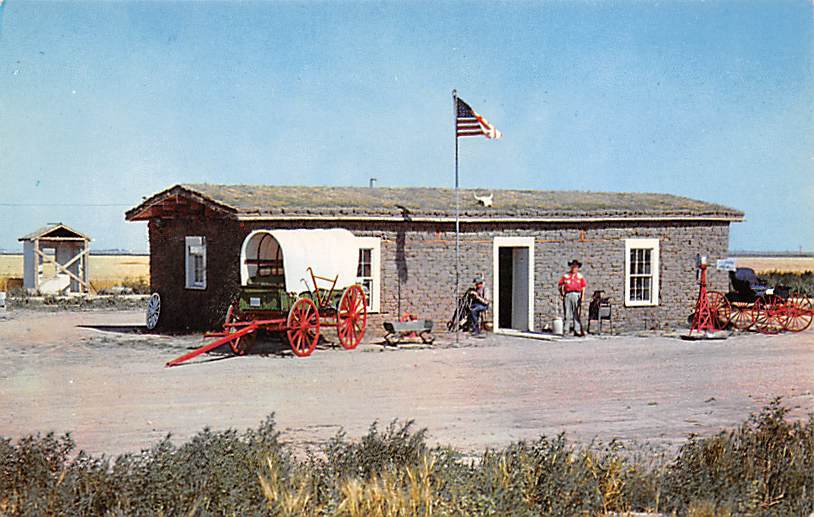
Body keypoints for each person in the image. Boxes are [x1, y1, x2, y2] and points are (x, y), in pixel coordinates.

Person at [558, 259, 587, 337]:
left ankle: (577, 330)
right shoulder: (566, 276)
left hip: (576, 294)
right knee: (567, 313)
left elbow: (583, 287)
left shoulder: (580, 276)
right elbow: (560, 285)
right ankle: (566, 330)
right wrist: (561, 294)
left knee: (576, 313)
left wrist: (582, 296)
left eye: (576, 266)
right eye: (573, 266)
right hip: (568, 294)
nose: (574, 268)